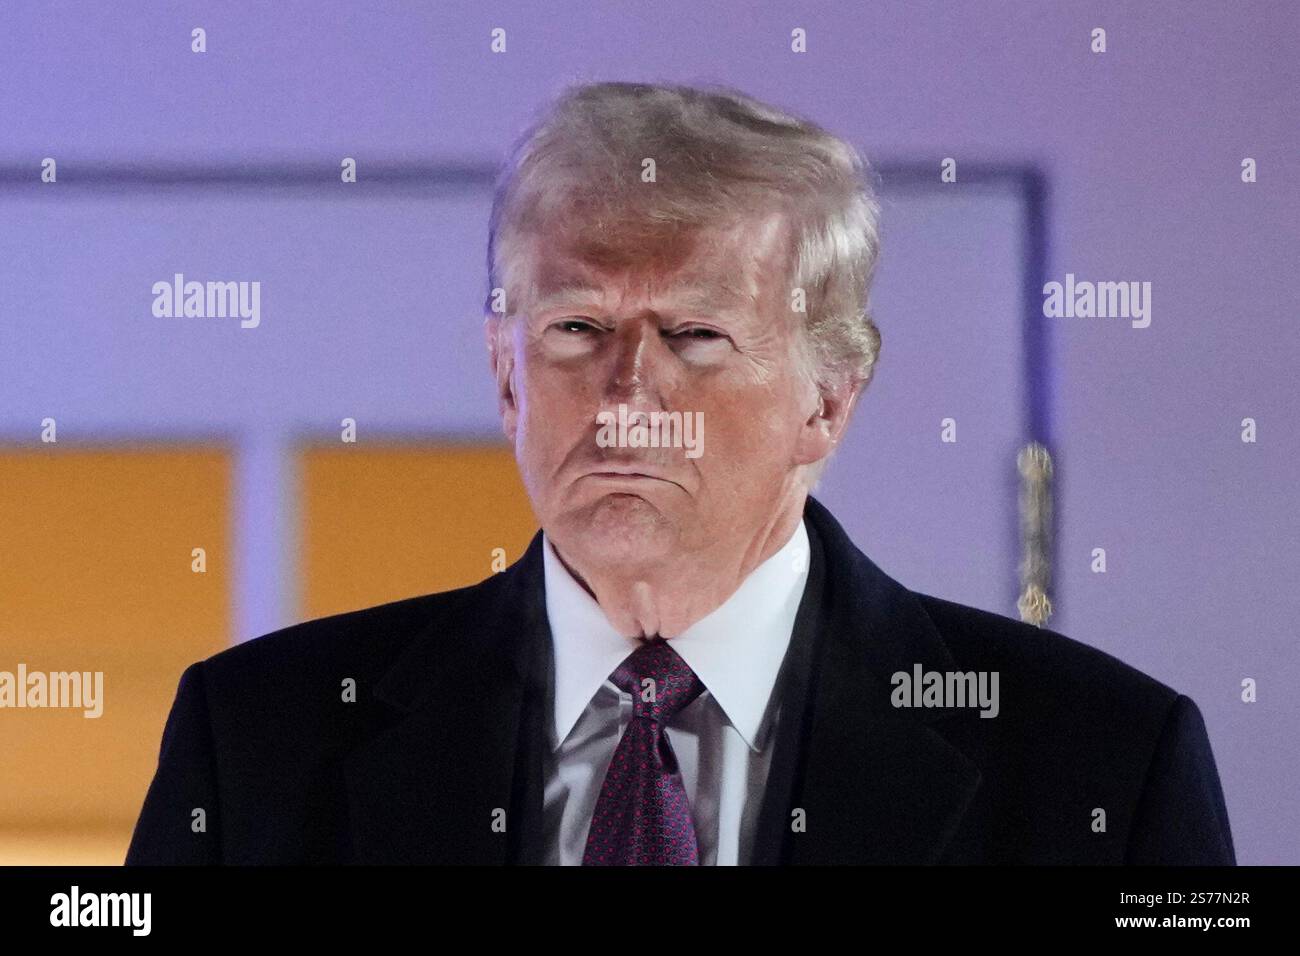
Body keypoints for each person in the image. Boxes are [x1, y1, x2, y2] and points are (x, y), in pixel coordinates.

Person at [125, 81, 1234, 865]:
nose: (623, 395)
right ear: (506, 379)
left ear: (828, 396)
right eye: (574, 328)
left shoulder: (1101, 762)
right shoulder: (259, 737)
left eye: (696, 334)